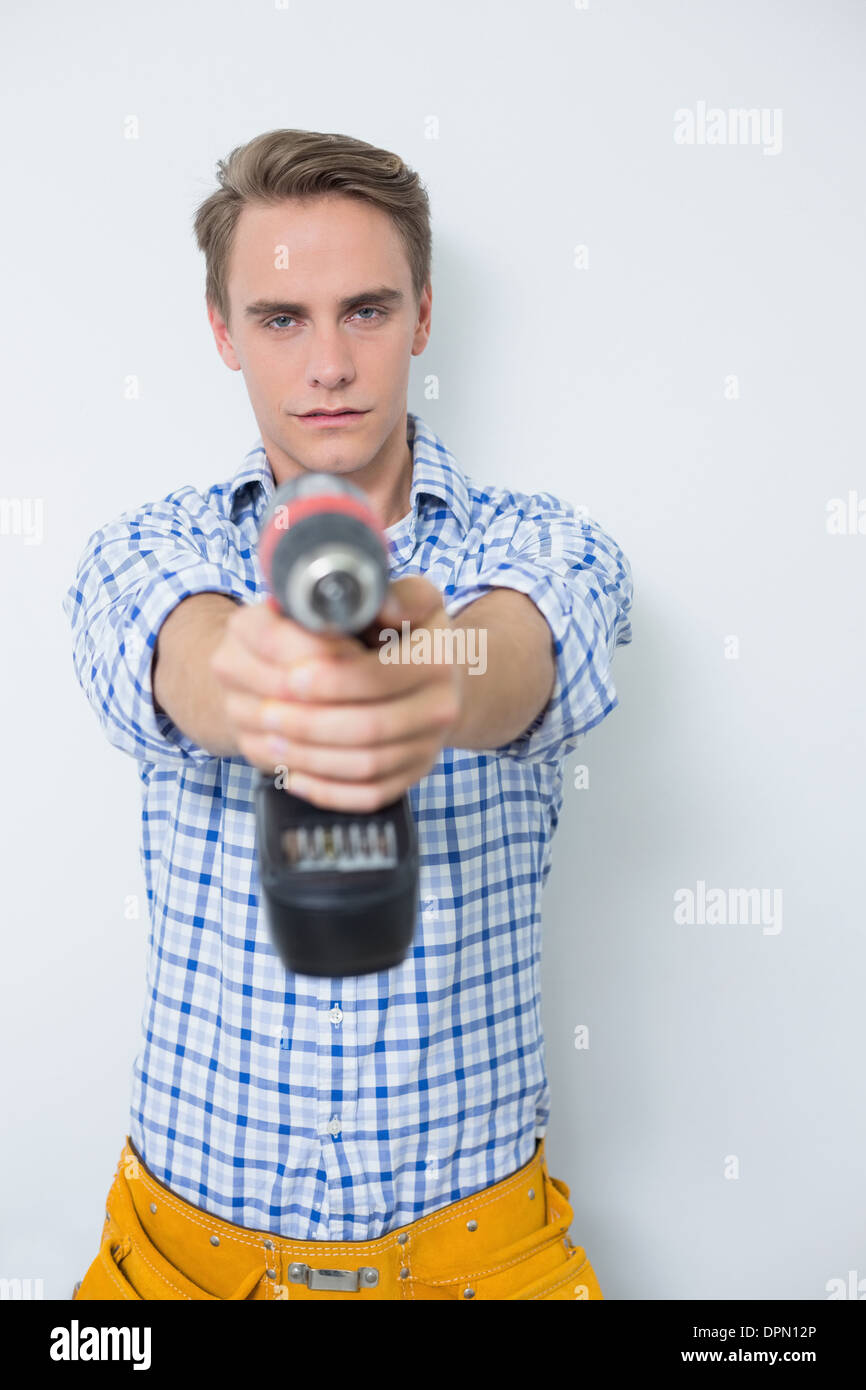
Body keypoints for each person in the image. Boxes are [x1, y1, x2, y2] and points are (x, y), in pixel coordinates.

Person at [63, 128, 633, 1301]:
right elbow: (185, 653)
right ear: (221, 331)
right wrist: (265, 677)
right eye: (281, 318)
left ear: (422, 315)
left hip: (484, 1265)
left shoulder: (538, 544)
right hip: (176, 1266)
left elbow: (524, 648)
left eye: (365, 311)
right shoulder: (149, 549)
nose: (327, 363)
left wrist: (428, 669)